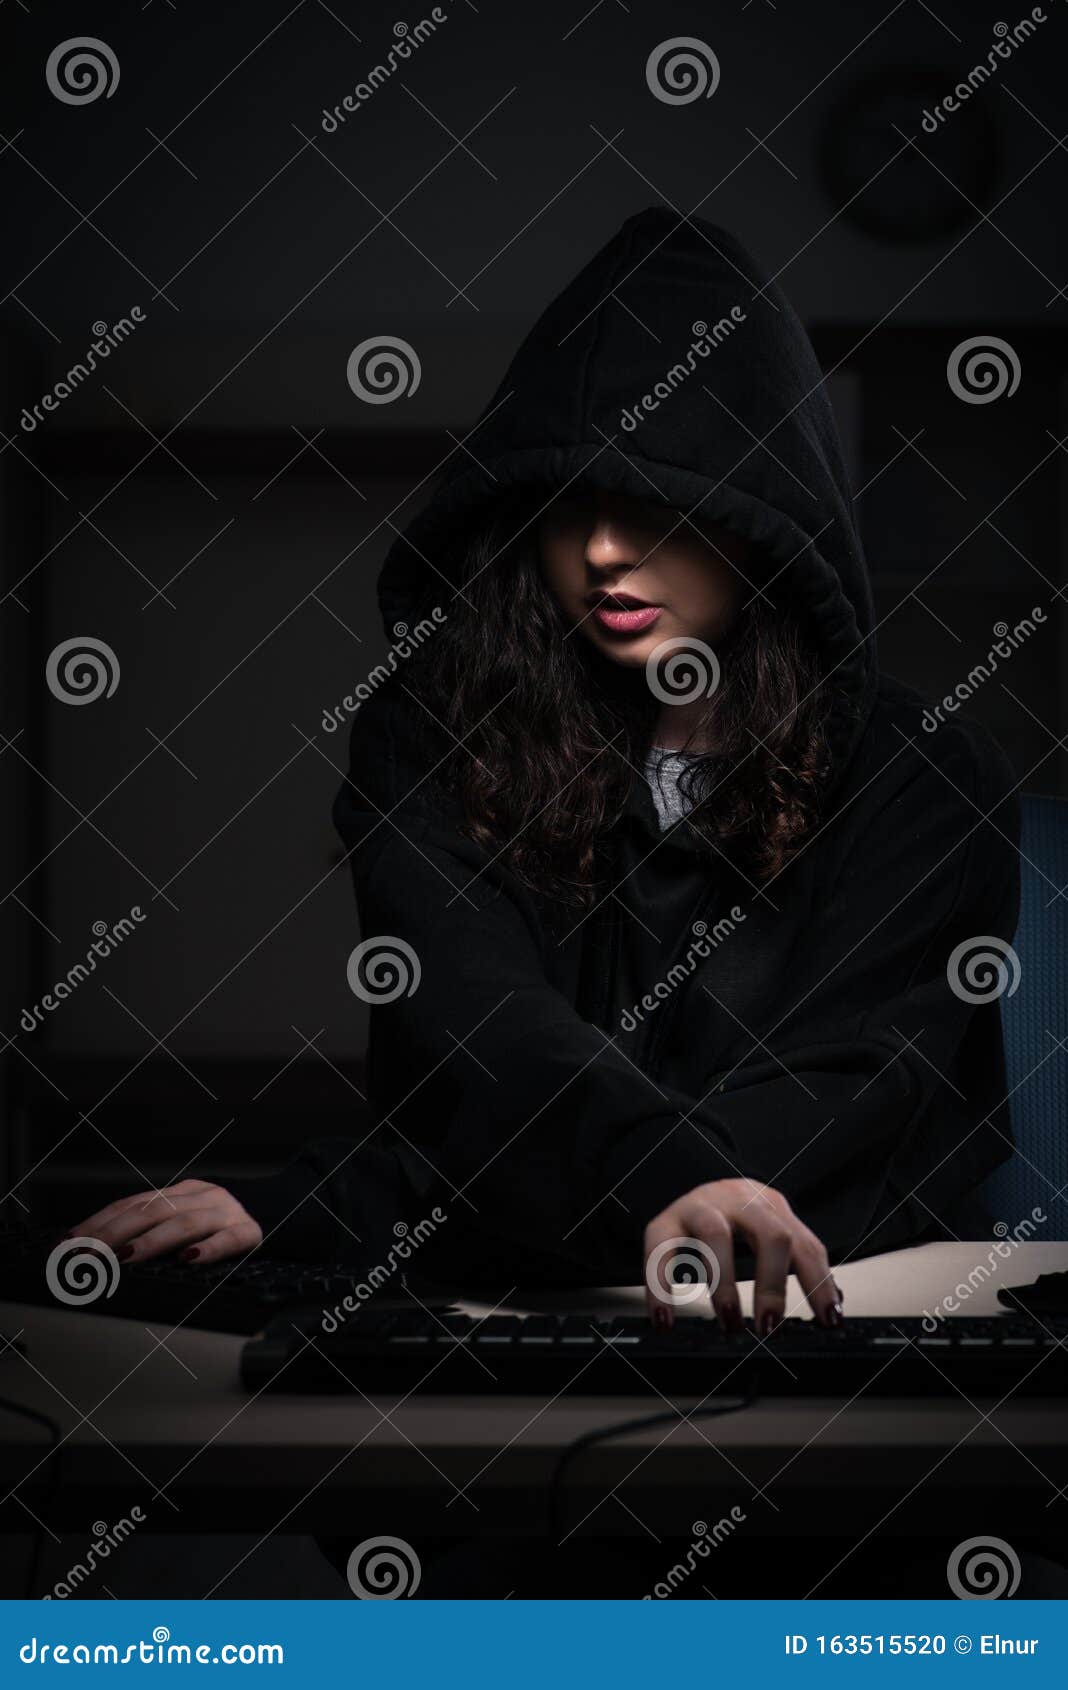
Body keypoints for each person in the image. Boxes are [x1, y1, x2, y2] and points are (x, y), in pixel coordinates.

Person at [70, 208, 1020, 1339]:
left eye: (657, 503)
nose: (606, 549)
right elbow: (479, 1040)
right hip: (525, 1319)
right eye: (574, 504)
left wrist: (372, 1200)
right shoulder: (435, 737)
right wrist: (311, 1210)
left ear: (760, 521)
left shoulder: (923, 778)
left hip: (855, 1319)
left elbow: (855, 1108)